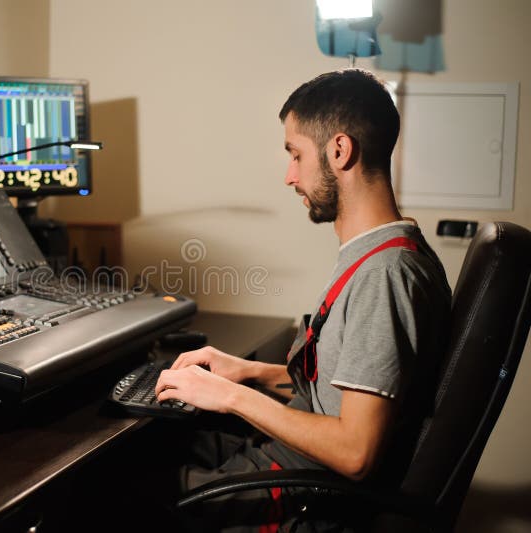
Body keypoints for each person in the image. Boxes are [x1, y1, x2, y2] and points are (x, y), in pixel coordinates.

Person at [154, 68, 452, 532]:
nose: (290, 177)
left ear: (339, 150)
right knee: (154, 444)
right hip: (291, 462)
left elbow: (355, 452)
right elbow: (344, 392)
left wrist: (230, 396)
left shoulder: (385, 276)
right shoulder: (379, 255)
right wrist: (249, 372)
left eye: (295, 154)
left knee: (120, 493)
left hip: (307, 495)